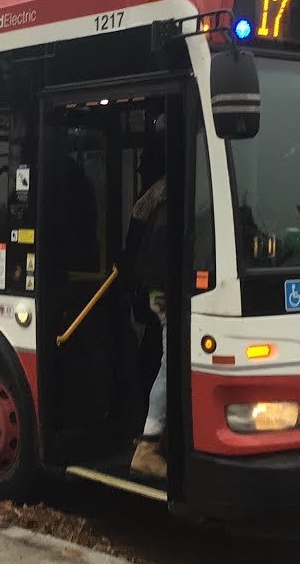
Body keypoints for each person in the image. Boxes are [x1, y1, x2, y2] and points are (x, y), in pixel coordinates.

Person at [128, 153, 170, 479]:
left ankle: (141, 426)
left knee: (155, 357)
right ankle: (148, 447)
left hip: (153, 291)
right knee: (169, 367)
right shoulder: (172, 196)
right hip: (165, 293)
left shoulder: (150, 199)